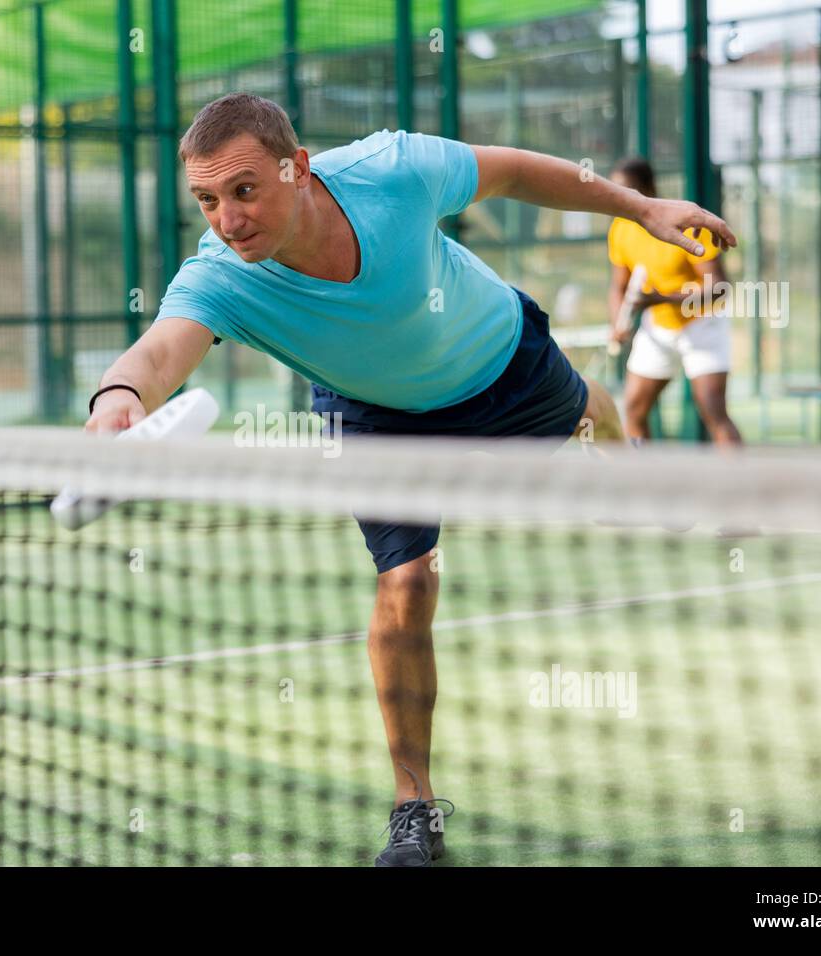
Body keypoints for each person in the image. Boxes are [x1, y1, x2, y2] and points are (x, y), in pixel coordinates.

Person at [85, 93, 736, 866]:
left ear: (296, 169)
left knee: (582, 414)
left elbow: (517, 172)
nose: (228, 218)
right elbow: (159, 353)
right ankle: (414, 806)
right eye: (208, 200)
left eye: (245, 190)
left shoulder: (388, 170)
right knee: (406, 583)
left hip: (500, 359)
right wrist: (116, 397)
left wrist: (640, 207)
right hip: (375, 413)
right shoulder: (222, 276)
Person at [607, 157, 742, 445]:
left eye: (627, 190)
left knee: (713, 409)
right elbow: (618, 286)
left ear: (648, 188)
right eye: (615, 190)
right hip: (658, 326)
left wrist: (660, 298)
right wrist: (617, 322)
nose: (620, 198)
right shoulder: (620, 229)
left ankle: (742, 486)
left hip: (702, 322)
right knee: (632, 409)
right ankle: (644, 482)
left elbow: (719, 288)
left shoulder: (686, 224)